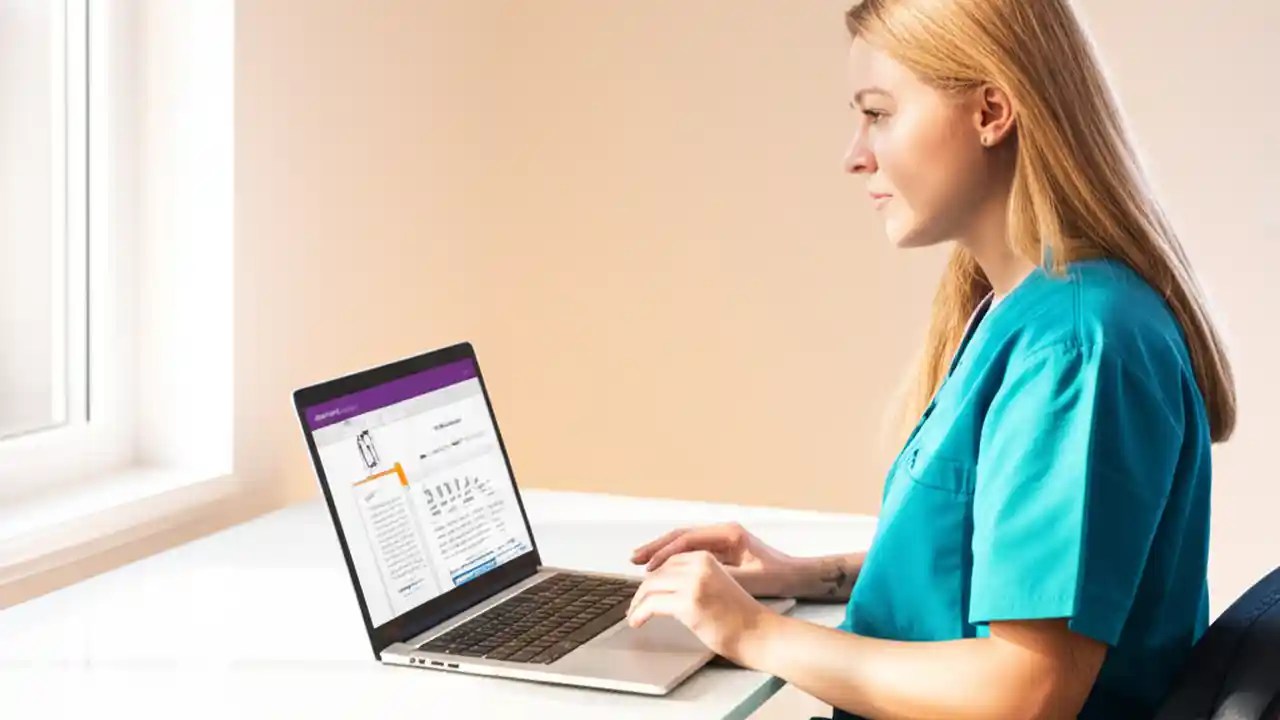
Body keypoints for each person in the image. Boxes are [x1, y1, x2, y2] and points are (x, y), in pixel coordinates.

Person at [623, 0, 1237, 717]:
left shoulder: (1075, 348)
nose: (855, 154)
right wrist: (802, 576)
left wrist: (752, 630)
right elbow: (988, 567)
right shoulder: (1019, 309)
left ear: (990, 113)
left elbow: (1027, 691)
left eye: (879, 114)